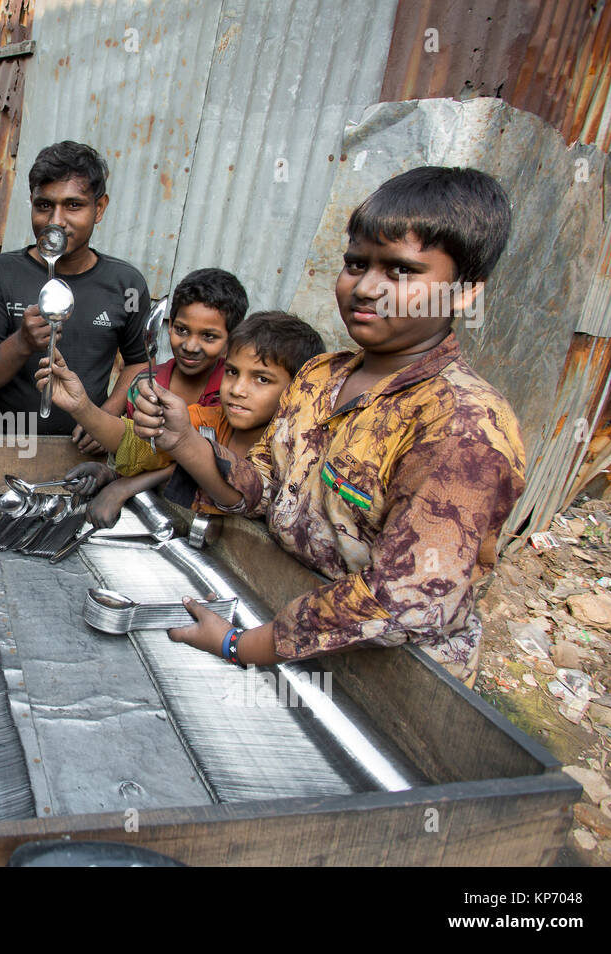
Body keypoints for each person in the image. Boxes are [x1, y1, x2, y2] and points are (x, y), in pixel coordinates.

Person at [133, 166, 525, 686]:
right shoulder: (321, 375)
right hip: (276, 614)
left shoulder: (464, 425)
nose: (366, 288)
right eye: (355, 263)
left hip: (382, 681)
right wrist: (184, 440)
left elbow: (398, 601)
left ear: (463, 293)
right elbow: (265, 486)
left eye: (401, 271)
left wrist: (239, 644)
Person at [40, 311, 324, 528]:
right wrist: (82, 407)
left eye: (262, 379)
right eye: (233, 372)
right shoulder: (212, 418)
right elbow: (138, 441)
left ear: (297, 391)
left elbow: (243, 495)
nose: (237, 390)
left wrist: (126, 484)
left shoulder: (296, 451)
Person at [0, 141, 150, 454]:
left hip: (83, 454)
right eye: (44, 205)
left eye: (73, 205)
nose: (56, 220)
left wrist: (105, 415)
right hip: (4, 448)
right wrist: (21, 343)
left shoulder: (126, 284)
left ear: (99, 208)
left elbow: (138, 361)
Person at [125, 268, 248, 417]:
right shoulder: (144, 385)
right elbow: (129, 435)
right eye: (182, 330)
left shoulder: (238, 395)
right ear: (170, 325)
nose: (190, 347)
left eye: (208, 336)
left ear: (232, 339)